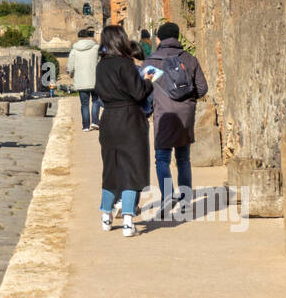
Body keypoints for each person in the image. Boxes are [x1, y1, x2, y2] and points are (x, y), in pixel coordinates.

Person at [142, 21, 209, 216]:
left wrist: (148, 109)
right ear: (178, 37)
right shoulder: (189, 59)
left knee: (162, 158)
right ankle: (186, 201)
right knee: (183, 158)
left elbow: (143, 91)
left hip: (164, 115)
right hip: (185, 115)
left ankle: (168, 196)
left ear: (159, 39)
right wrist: (187, 100)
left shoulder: (152, 61)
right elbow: (203, 88)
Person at [92, 25, 154, 236]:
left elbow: (99, 93)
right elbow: (138, 93)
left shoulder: (100, 66)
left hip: (108, 119)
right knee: (132, 169)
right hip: (129, 120)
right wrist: (148, 82)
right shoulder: (126, 64)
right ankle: (128, 221)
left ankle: (105, 216)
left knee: (111, 168)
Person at [67, 28, 101, 131]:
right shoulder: (96, 48)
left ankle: (86, 126)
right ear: (88, 36)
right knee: (96, 101)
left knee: (84, 104)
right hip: (95, 79)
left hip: (81, 80)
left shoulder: (74, 50)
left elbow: (70, 66)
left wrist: (71, 74)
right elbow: (100, 61)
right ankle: (95, 122)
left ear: (79, 37)